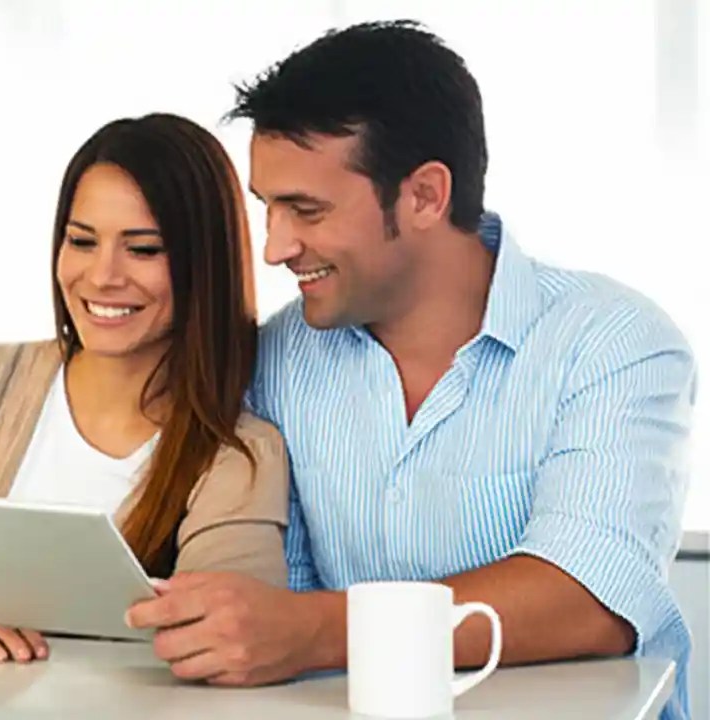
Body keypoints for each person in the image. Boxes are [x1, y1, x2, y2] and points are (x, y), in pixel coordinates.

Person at [125, 21, 696, 720]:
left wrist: (315, 632)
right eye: (268, 208)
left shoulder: (613, 342)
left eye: (306, 209)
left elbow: (590, 600)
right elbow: (277, 601)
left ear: (425, 195)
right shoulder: (274, 362)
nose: (275, 247)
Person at [0, 113, 290, 664]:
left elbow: (230, 632)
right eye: (82, 241)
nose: (102, 276)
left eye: (143, 249)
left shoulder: (242, 452)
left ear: (202, 265)